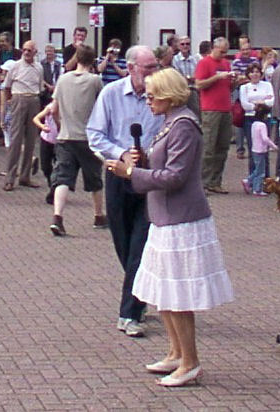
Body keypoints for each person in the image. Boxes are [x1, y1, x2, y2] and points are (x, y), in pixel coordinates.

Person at [104, 68, 233, 387]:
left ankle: (190, 361)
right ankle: (176, 352)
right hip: (163, 217)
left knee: (178, 293)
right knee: (161, 289)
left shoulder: (184, 125)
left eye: (152, 95)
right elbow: (164, 167)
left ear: (168, 95)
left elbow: (176, 175)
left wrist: (131, 174)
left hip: (182, 220)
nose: (147, 101)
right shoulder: (170, 123)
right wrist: (144, 160)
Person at [87, 45, 163, 338]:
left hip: (148, 177)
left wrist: (151, 155)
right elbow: (94, 134)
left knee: (141, 245)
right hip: (118, 175)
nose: (153, 73)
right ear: (131, 68)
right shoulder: (111, 94)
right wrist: (121, 154)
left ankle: (128, 314)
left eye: (155, 66)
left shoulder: (160, 96)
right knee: (123, 242)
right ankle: (139, 294)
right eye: (148, 68)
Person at [49, 45, 105, 237]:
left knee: (63, 178)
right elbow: (102, 108)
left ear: (77, 58)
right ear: (93, 61)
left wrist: (59, 126)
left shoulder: (63, 80)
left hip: (65, 136)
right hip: (88, 138)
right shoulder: (95, 81)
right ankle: (98, 215)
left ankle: (57, 216)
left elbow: (53, 109)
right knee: (94, 178)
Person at [196, 37, 239, 194]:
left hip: (225, 109)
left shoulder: (226, 64)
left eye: (226, 52)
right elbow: (199, 84)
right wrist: (217, 77)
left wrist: (235, 81)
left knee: (222, 147)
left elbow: (228, 87)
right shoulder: (204, 63)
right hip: (210, 109)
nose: (223, 55)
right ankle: (202, 182)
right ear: (213, 48)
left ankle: (215, 181)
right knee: (208, 147)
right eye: (221, 52)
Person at [1, 40, 43, 191]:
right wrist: (9, 104)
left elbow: (40, 87)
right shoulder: (15, 66)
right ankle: (10, 178)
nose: (26, 53)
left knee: (31, 139)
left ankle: (25, 177)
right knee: (15, 140)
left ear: (35, 52)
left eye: (29, 50)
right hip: (18, 98)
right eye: (24, 50)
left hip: (33, 99)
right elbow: (6, 87)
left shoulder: (39, 67)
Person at [238, 61, 274, 189]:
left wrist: (258, 103)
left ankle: (265, 181)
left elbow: (271, 102)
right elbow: (245, 105)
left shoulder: (267, 85)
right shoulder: (244, 87)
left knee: (265, 149)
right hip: (250, 119)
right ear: (248, 74)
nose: (255, 74)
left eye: (257, 72)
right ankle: (253, 181)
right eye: (252, 72)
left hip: (265, 118)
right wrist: (261, 103)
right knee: (254, 149)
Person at [247, 104, 278, 196]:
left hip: (255, 149)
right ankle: (257, 189)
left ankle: (249, 180)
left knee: (258, 169)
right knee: (261, 172)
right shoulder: (262, 125)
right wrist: (274, 146)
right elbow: (265, 138)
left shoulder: (254, 124)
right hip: (261, 150)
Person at [32, 101, 59, 204]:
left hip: (61, 141)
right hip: (47, 140)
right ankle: (51, 184)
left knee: (59, 168)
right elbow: (36, 118)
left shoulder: (67, 107)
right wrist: (42, 126)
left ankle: (54, 190)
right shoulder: (50, 107)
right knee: (45, 167)